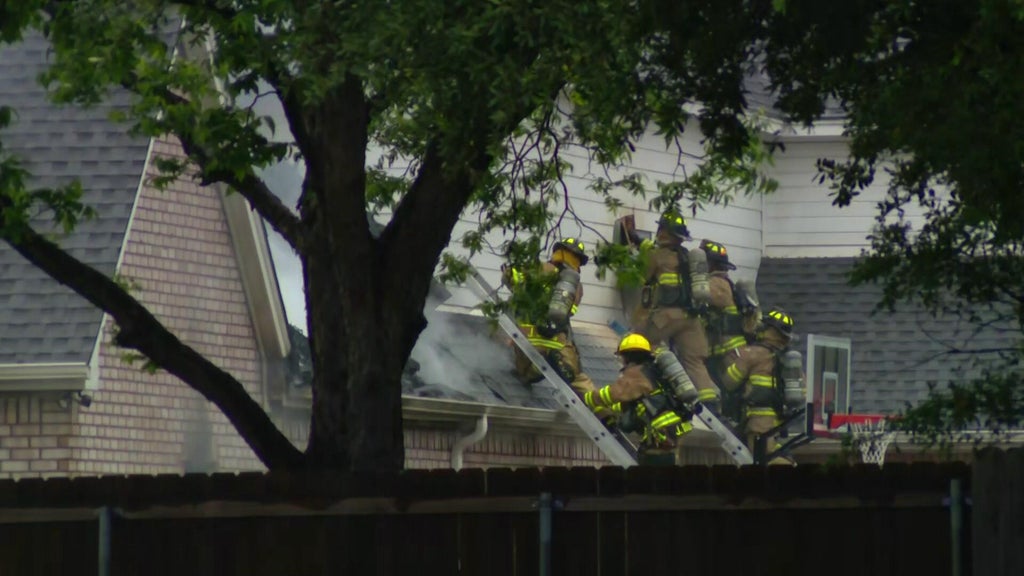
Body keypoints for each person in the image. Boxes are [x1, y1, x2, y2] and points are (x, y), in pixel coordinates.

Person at [633, 211, 720, 409]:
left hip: (667, 316)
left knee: (645, 346)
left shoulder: (657, 256)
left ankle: (649, 387)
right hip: (691, 318)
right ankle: (709, 404)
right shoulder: (689, 257)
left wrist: (642, 253)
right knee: (695, 362)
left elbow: (640, 278)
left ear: (662, 231)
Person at [502, 237, 598, 400]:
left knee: (522, 373)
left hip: (528, 339)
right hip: (558, 344)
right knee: (578, 379)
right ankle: (606, 414)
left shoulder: (537, 268)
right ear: (578, 261)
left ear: (557, 251)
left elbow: (510, 278)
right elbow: (569, 312)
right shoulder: (576, 286)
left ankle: (535, 370)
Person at [583, 333, 694, 466]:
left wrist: (587, 398)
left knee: (654, 466)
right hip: (673, 428)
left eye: (622, 356)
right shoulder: (652, 371)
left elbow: (614, 394)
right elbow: (631, 403)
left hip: (660, 434)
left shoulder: (636, 373)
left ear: (628, 356)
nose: (621, 361)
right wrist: (609, 412)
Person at [722, 307, 797, 465]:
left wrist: (728, 362)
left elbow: (729, 382)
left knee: (766, 460)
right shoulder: (787, 360)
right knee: (777, 455)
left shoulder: (753, 353)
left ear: (770, 330)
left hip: (759, 422)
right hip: (777, 421)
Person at [698, 239, 758, 420]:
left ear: (711, 263)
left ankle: (741, 416)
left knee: (734, 387)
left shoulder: (718, 283)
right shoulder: (721, 282)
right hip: (721, 349)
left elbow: (699, 295)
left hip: (730, 350)